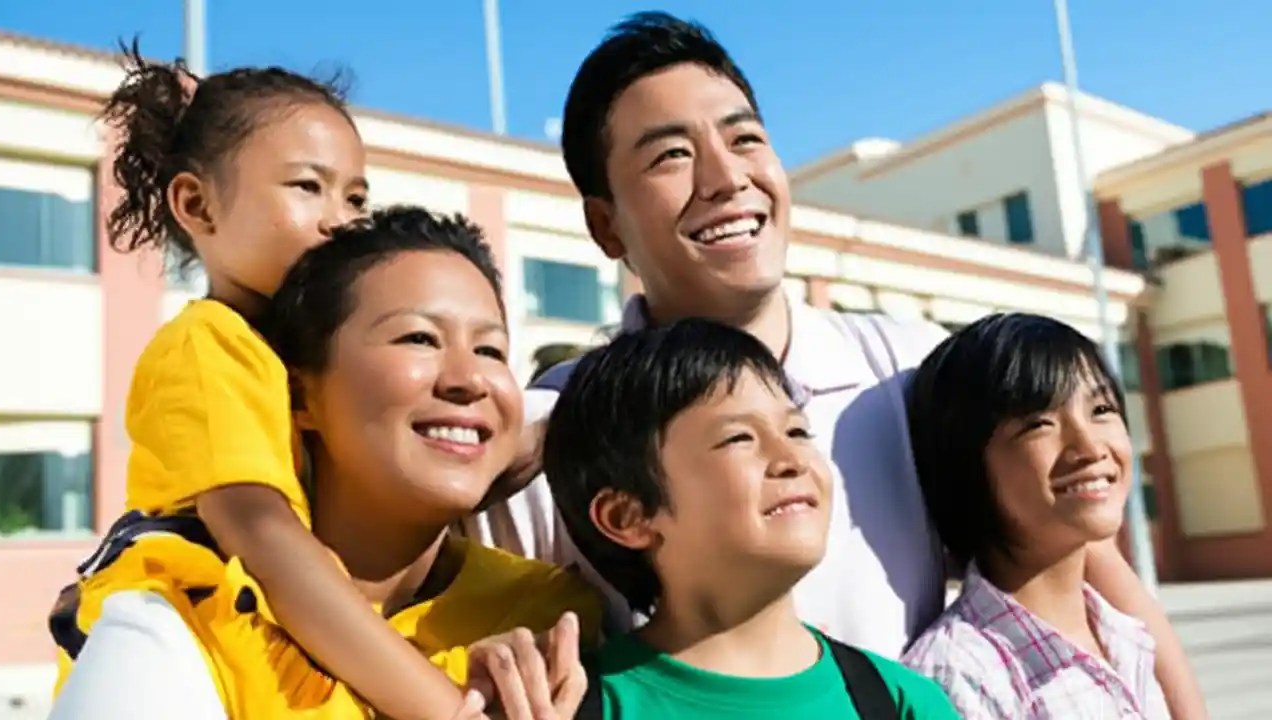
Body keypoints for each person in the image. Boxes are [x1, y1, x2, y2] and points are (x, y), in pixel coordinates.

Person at [466, 11, 1206, 717]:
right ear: (605, 225)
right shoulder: (554, 436)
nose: (727, 178)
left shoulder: (905, 367)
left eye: (746, 138)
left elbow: (1095, 582)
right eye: (671, 156)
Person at [50, 207, 603, 719]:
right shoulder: (184, 617)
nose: (468, 379)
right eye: (419, 338)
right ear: (299, 396)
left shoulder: (550, 622)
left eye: (491, 350)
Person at [545, 318, 960, 719]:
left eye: (797, 431)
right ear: (627, 517)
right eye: (739, 438)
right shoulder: (568, 705)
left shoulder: (901, 702)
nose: (791, 459)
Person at [902, 314, 1173, 719]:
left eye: (1100, 409)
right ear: (964, 465)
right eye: (1038, 423)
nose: (1089, 446)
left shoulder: (1124, 636)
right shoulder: (957, 676)